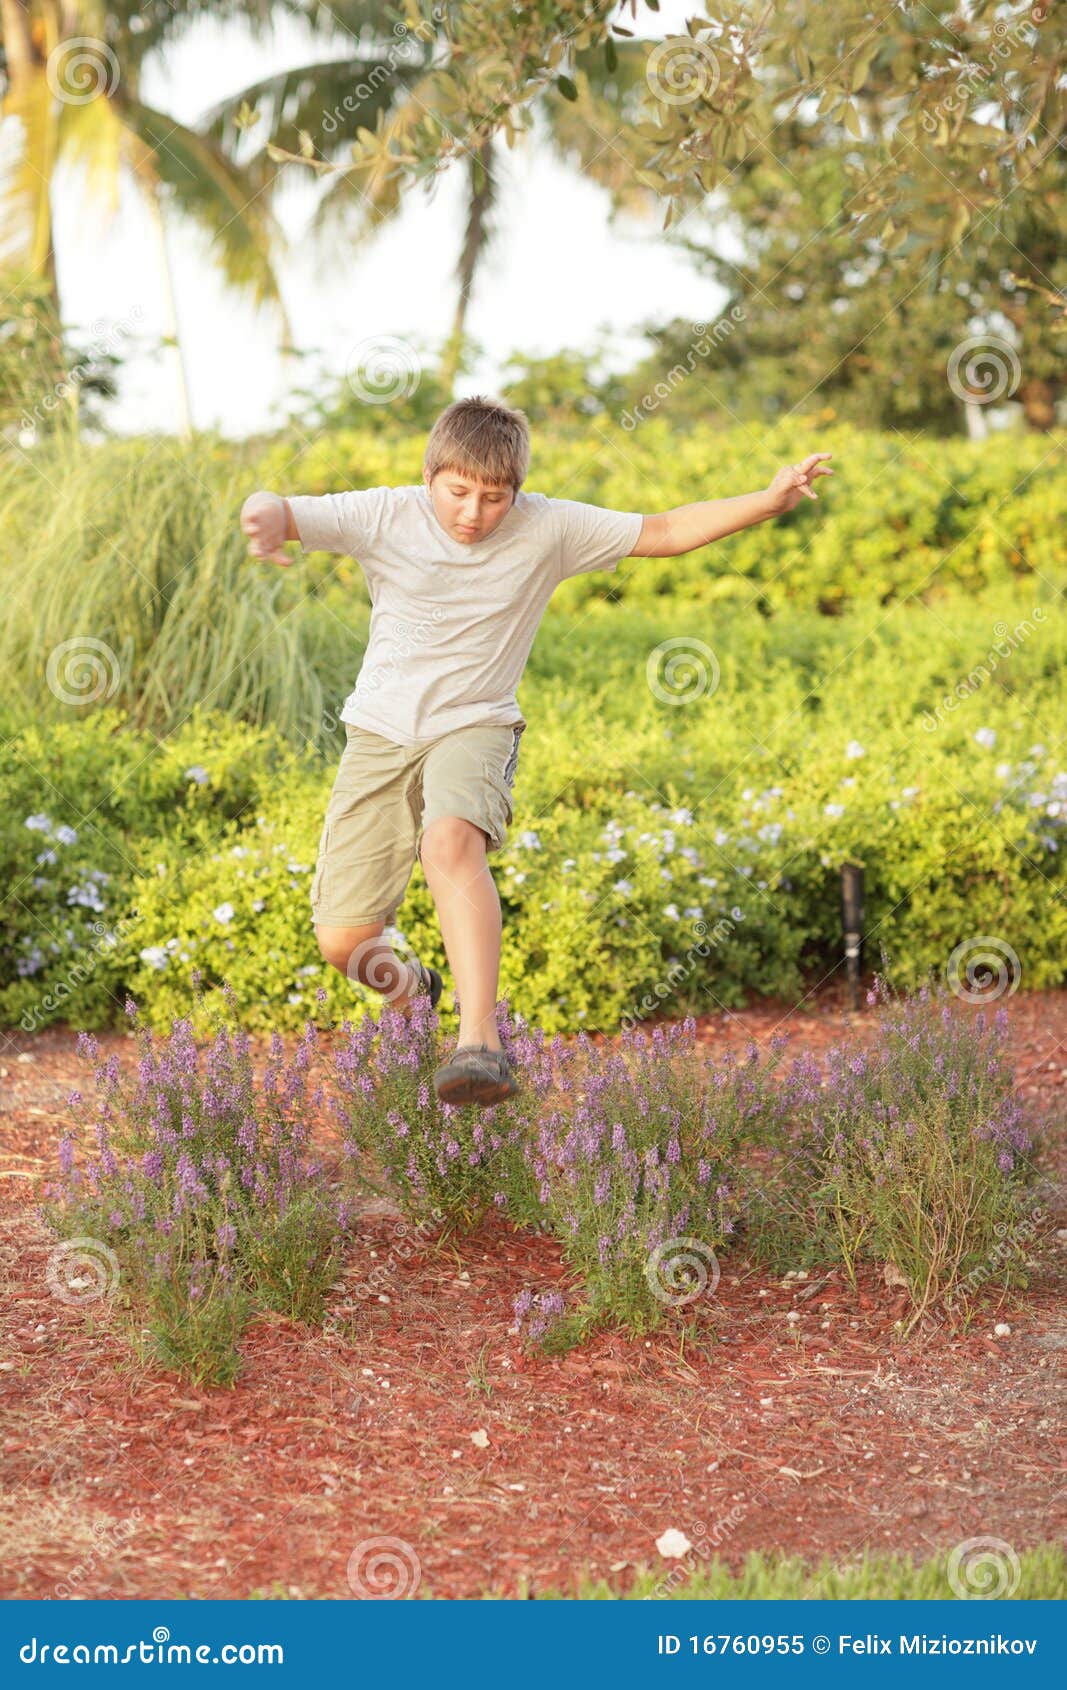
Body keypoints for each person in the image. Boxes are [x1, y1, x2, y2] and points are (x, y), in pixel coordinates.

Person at [240, 396, 831, 1107]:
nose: (472, 513)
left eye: (493, 498)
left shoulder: (548, 527)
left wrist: (766, 502)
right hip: (379, 731)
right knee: (345, 941)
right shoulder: (384, 514)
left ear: (515, 492)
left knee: (449, 844)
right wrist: (265, 518)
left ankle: (478, 1043)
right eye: (457, 493)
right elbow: (282, 507)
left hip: (476, 722)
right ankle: (417, 990)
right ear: (430, 475)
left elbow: (666, 528)